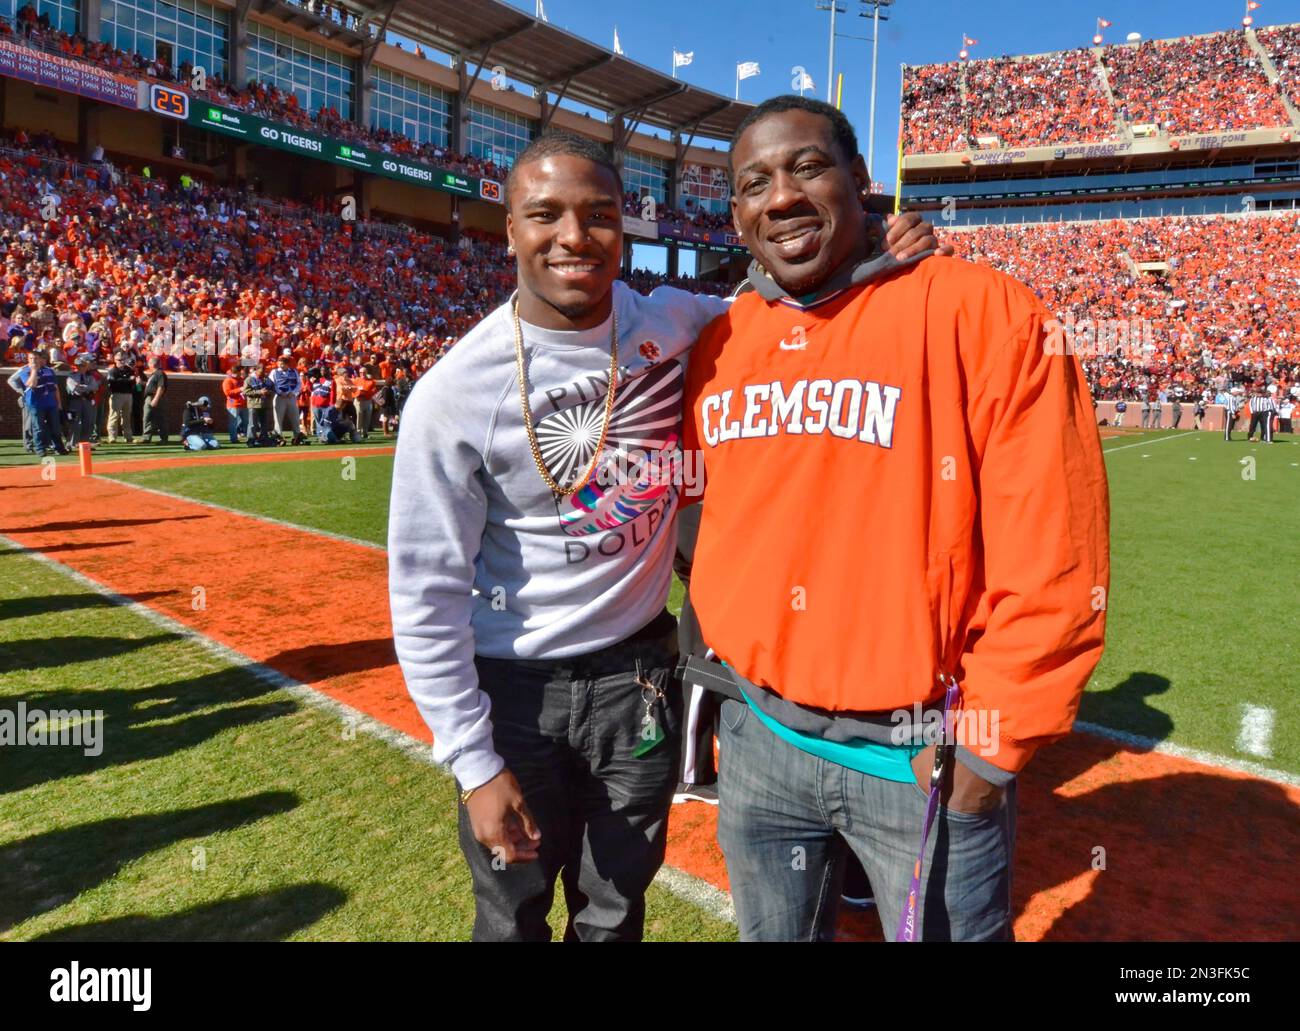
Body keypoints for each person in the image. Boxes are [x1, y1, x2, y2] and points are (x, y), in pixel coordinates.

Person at [387, 129, 943, 943]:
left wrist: (874, 247)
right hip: (515, 695)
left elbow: (793, 299)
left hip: (640, 679)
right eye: (545, 215)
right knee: (510, 917)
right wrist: (475, 765)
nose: (574, 237)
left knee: (615, 910)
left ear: (627, 227)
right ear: (508, 230)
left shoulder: (680, 322)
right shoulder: (452, 395)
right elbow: (425, 593)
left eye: (600, 215)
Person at [679, 95, 1109, 942]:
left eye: (807, 166)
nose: (781, 196)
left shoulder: (986, 312)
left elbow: (1056, 555)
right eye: (754, 182)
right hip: (761, 738)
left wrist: (989, 752)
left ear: (860, 180)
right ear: (735, 215)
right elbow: (709, 517)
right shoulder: (719, 344)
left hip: (924, 752)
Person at [10, 350, 66, 456]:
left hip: (51, 403)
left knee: (55, 427)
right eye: (31, 358)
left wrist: (59, 403)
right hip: (35, 404)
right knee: (38, 427)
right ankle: (40, 449)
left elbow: (55, 388)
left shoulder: (49, 371)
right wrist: (34, 371)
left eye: (35, 358)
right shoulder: (24, 371)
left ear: (40, 359)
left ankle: (59, 448)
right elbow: (32, 384)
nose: (33, 360)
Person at [271, 351, 307, 444]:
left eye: (282, 363)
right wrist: (280, 392)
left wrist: (294, 393)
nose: (280, 365)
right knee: (278, 418)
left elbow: (299, 384)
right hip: (280, 397)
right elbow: (272, 384)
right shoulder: (274, 372)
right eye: (279, 363)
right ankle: (278, 437)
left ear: (287, 364)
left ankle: (297, 436)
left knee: (295, 417)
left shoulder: (294, 371)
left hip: (291, 397)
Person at [65, 353, 101, 447]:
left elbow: (95, 387)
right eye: (79, 365)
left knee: (88, 422)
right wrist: (87, 387)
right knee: (74, 423)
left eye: (83, 365)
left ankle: (84, 443)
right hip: (75, 401)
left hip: (87, 401)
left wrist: (83, 387)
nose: (81, 367)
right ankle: (72, 443)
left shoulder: (90, 376)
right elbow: (76, 389)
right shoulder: (71, 376)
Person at [105, 350, 136, 443]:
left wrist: (125, 380)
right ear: (115, 360)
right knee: (114, 416)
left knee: (127, 416)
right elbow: (113, 382)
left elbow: (133, 382)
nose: (122, 361)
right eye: (119, 360)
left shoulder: (129, 370)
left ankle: (128, 436)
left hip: (128, 395)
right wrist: (127, 380)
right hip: (116, 395)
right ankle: (112, 437)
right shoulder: (112, 371)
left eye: (123, 359)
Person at [138, 356, 168, 444]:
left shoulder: (160, 373)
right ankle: (147, 437)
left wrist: (155, 399)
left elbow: (161, 387)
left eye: (149, 362)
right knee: (147, 418)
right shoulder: (154, 374)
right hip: (150, 397)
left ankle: (163, 439)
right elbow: (150, 385)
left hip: (154, 397)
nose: (148, 364)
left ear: (153, 364)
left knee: (159, 418)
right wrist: (141, 383)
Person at [243, 361, 273, 445]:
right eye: (261, 370)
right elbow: (245, 392)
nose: (263, 372)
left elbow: (273, 388)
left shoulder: (266, 379)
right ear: (256, 370)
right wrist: (259, 392)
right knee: (252, 424)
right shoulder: (249, 379)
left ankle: (263, 439)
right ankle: (251, 440)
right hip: (254, 404)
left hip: (264, 404)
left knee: (264, 423)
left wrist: (268, 392)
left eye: (264, 370)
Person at [223, 366, 247, 443]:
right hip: (233, 404)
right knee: (233, 423)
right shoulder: (228, 380)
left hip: (243, 404)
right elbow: (228, 393)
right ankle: (233, 439)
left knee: (247, 422)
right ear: (237, 372)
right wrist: (239, 389)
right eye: (240, 372)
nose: (242, 374)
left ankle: (250, 437)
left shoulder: (241, 380)